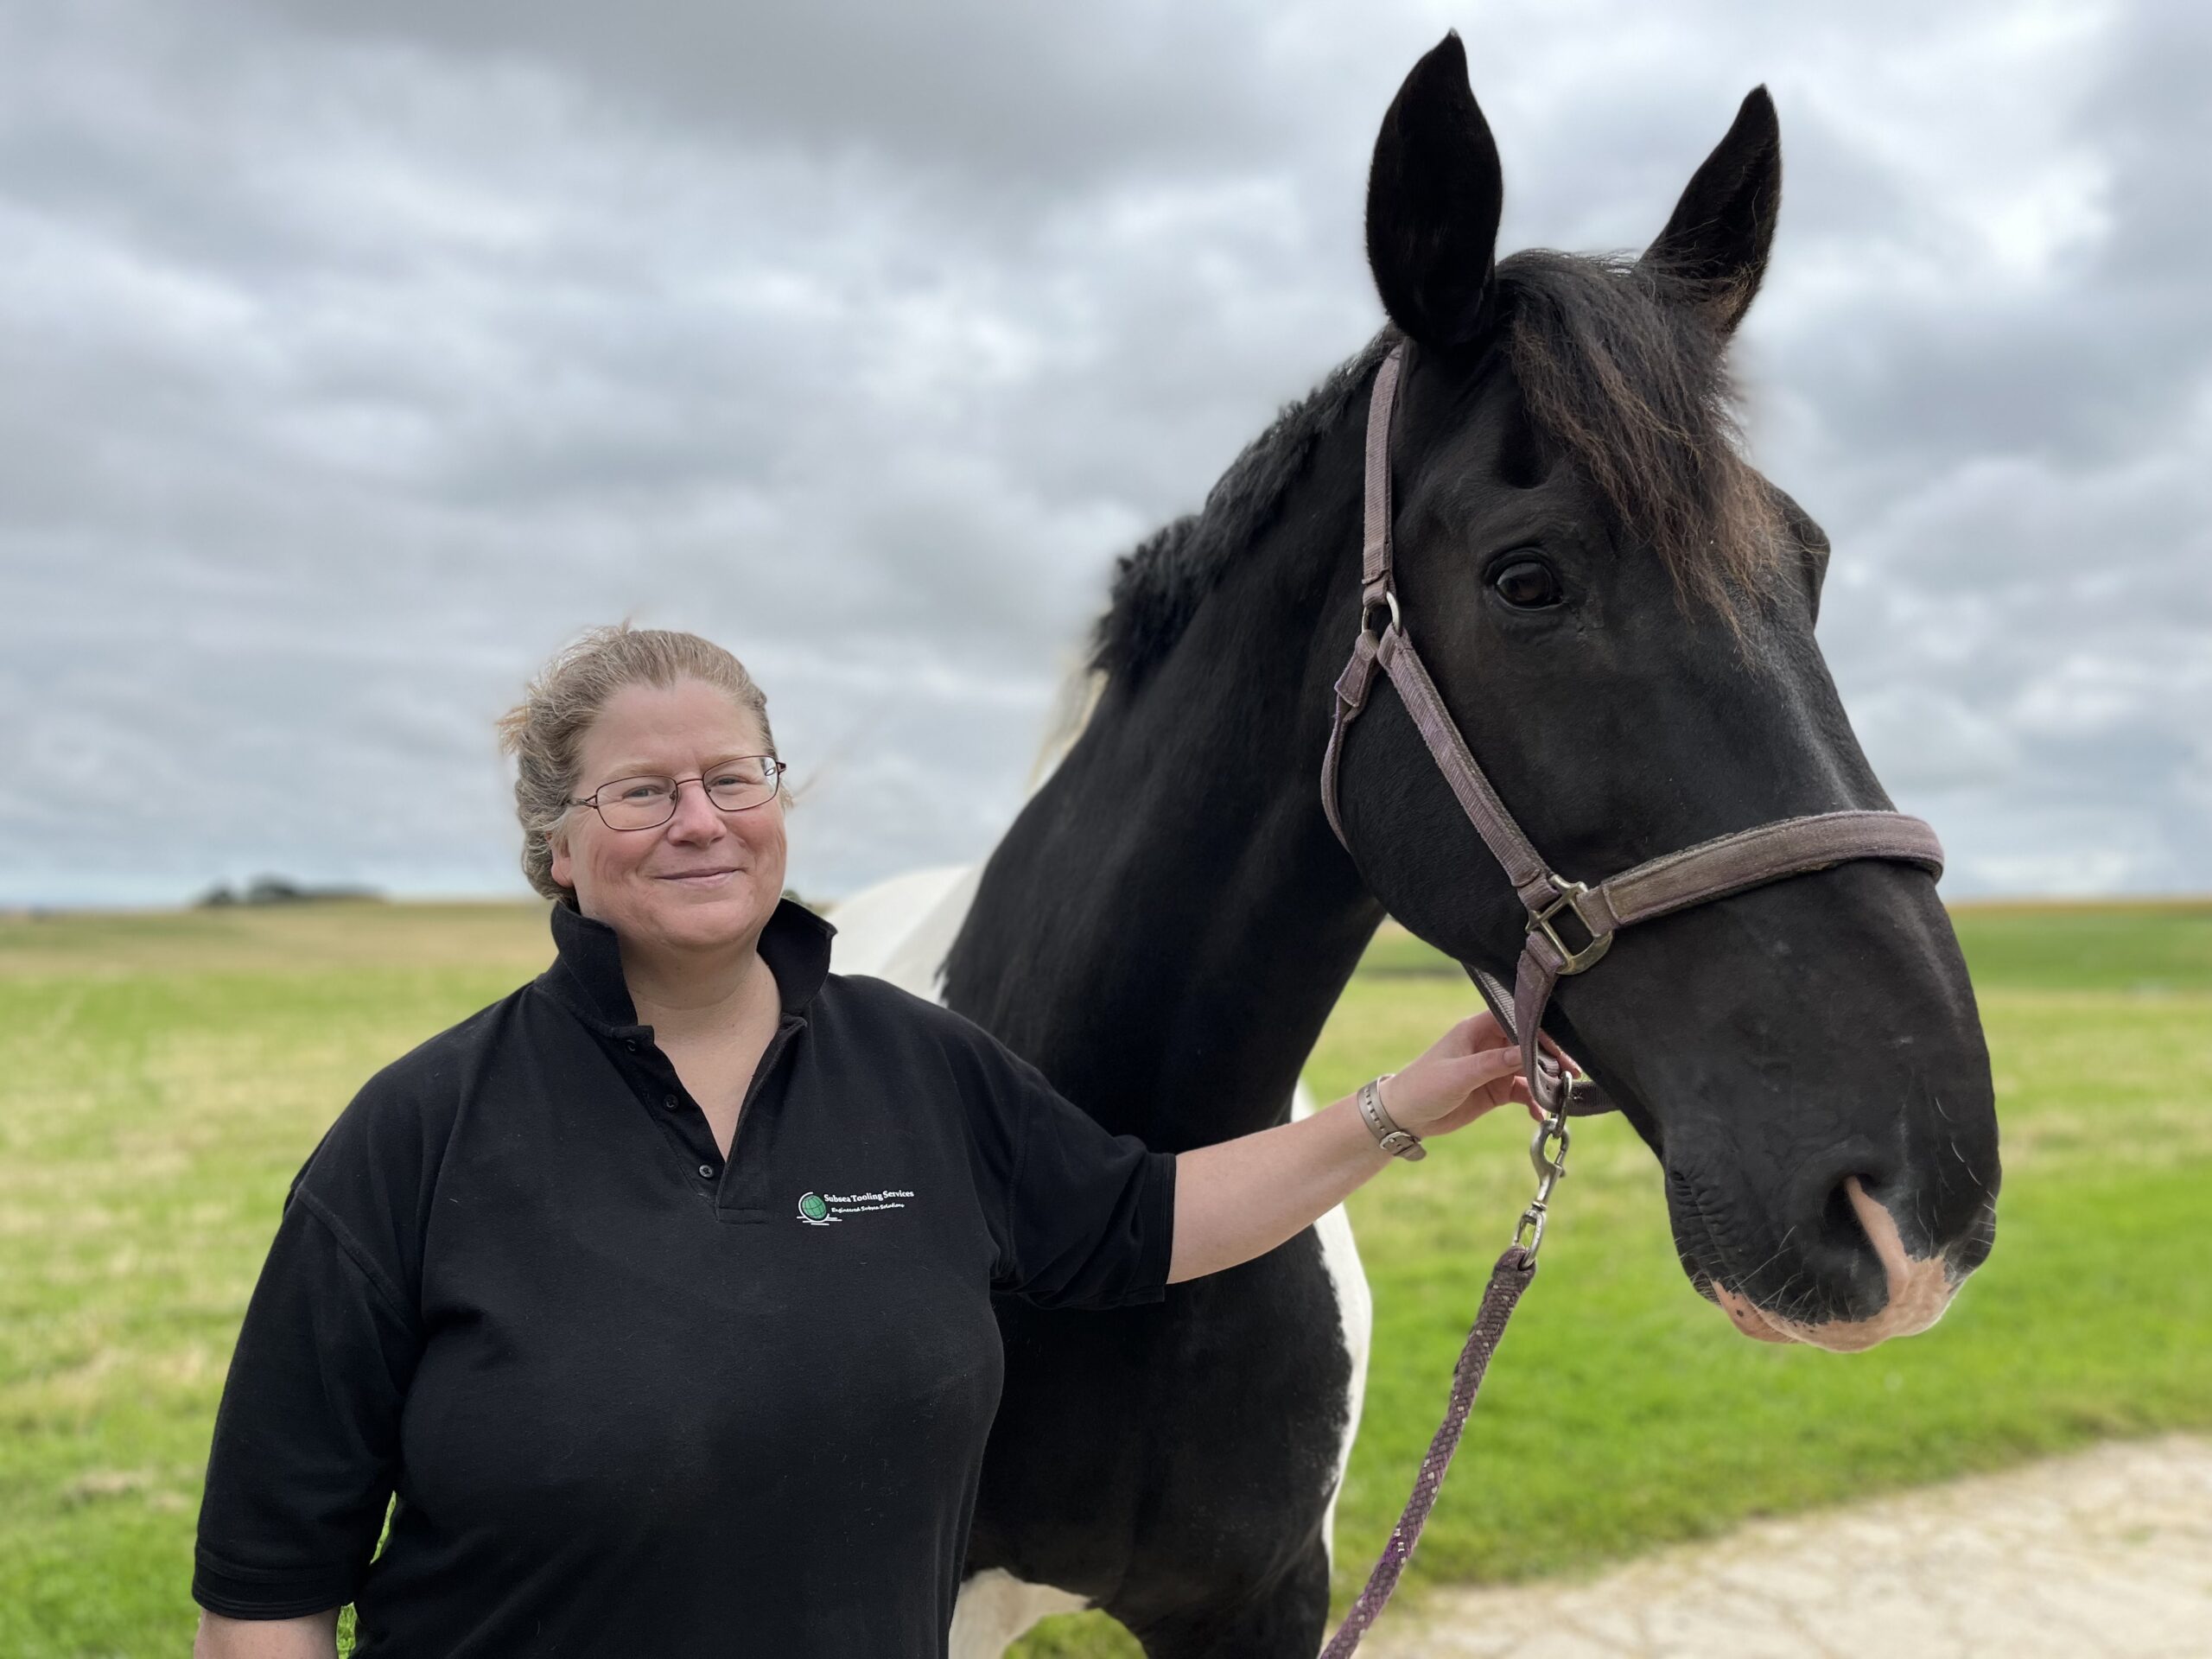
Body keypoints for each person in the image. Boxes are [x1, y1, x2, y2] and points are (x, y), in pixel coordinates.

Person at [191, 625, 1538, 1657]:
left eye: (733, 778)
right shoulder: (414, 1139)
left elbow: (1141, 1221)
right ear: (557, 848)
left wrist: (1401, 1106)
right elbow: (267, 1593)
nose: (702, 820)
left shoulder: (919, 1064)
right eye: (641, 793)